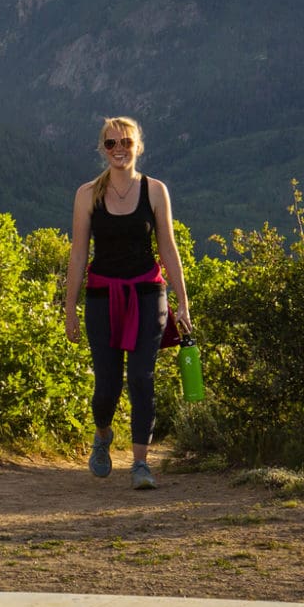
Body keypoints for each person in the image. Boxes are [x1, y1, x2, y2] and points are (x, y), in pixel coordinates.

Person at [63, 116, 191, 491]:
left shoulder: (155, 191)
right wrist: (70, 308)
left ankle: (140, 463)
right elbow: (78, 254)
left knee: (141, 378)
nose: (119, 149)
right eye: (111, 144)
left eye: (126, 143)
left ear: (138, 147)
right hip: (102, 297)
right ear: (102, 149)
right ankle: (103, 434)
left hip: (148, 295)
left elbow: (168, 248)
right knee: (107, 385)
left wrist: (183, 302)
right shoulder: (88, 194)